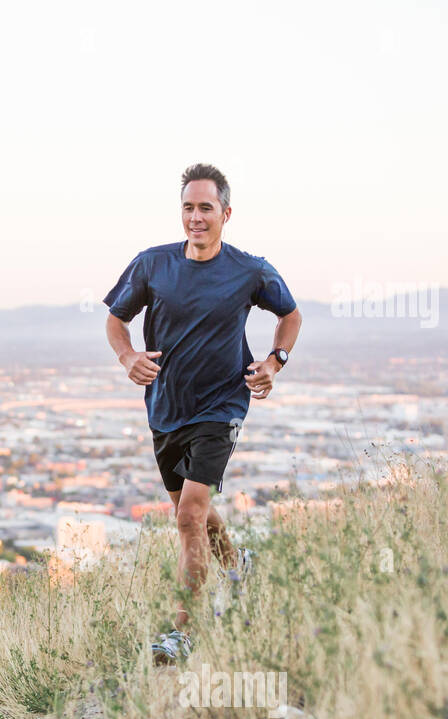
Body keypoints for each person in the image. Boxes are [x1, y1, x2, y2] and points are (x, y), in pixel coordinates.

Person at [103, 163, 302, 663]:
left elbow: (290, 315)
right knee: (190, 513)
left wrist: (275, 362)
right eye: (188, 207)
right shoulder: (152, 265)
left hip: (222, 404)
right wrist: (128, 357)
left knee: (189, 516)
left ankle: (183, 633)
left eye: (205, 208)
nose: (196, 217)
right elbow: (115, 319)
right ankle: (238, 565)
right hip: (166, 408)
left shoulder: (250, 270)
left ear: (225, 213)